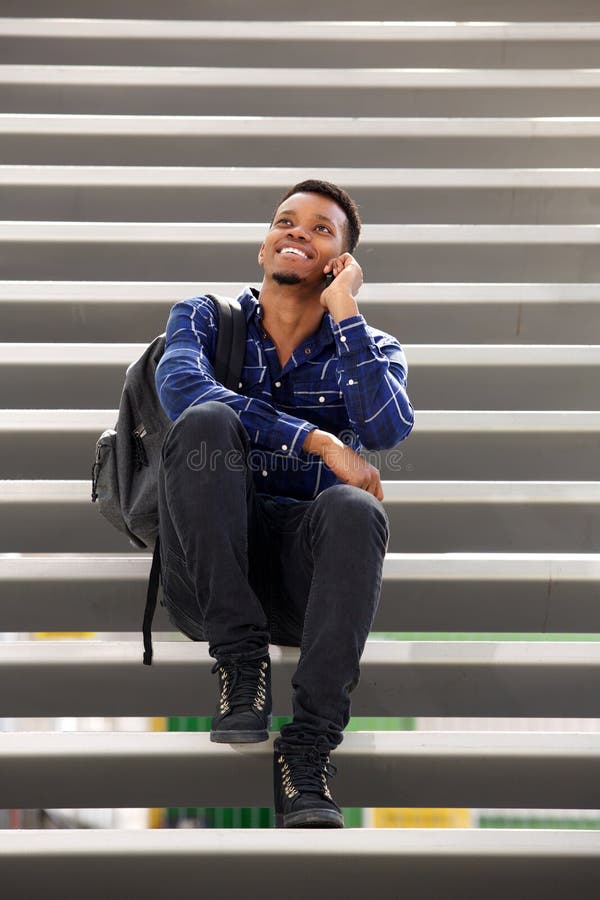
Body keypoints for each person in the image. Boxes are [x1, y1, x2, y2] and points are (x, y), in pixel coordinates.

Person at [155, 179, 414, 828]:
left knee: (359, 511)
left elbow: (384, 431)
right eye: (285, 221)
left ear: (340, 264)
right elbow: (185, 391)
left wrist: (346, 312)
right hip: (209, 572)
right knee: (208, 422)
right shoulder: (204, 317)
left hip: (306, 584)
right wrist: (316, 440)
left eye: (320, 229)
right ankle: (241, 667)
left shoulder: (370, 348)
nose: (297, 232)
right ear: (264, 245)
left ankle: (308, 748)